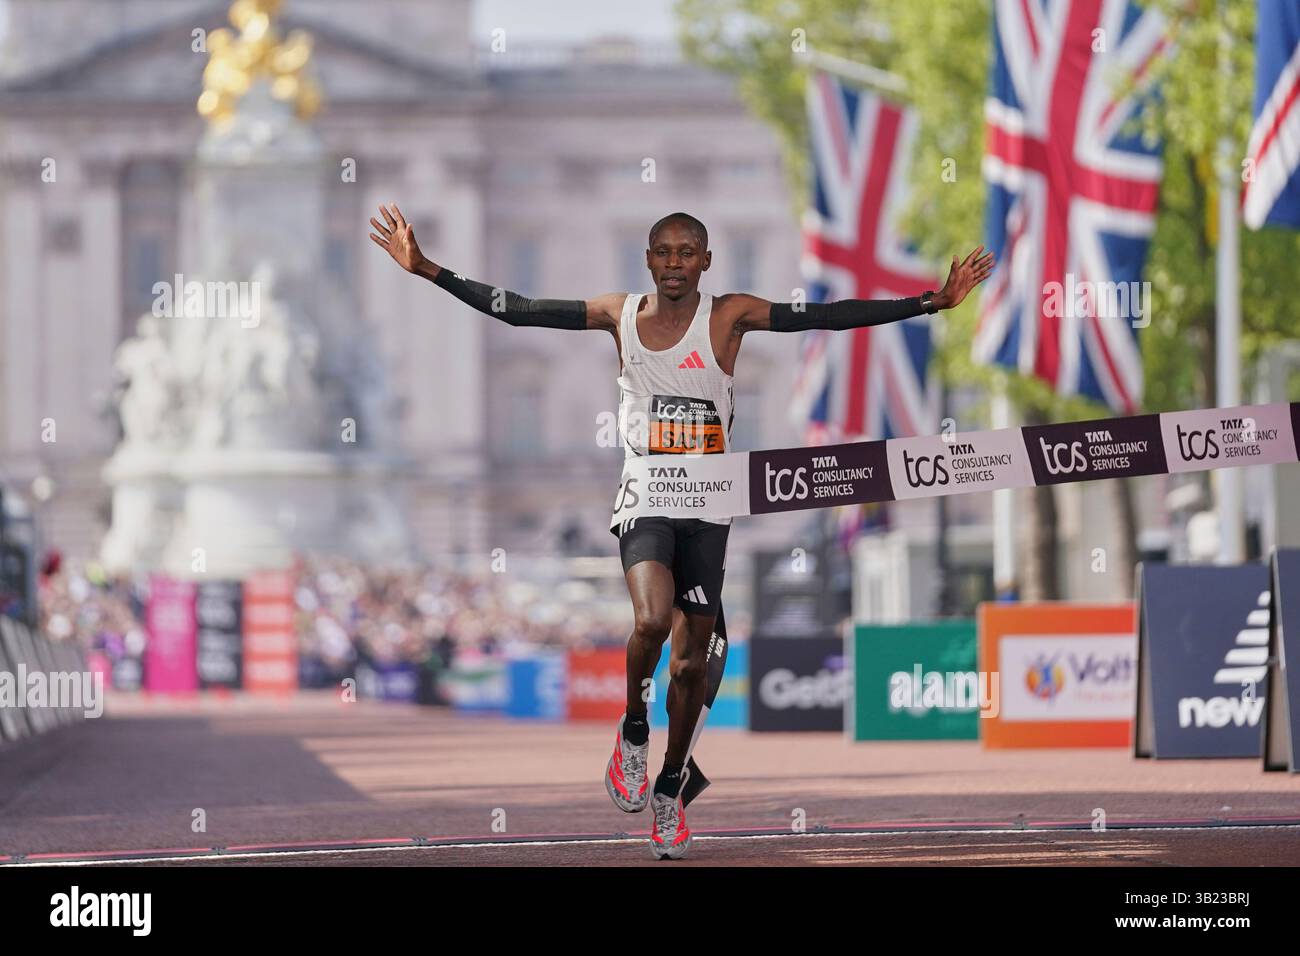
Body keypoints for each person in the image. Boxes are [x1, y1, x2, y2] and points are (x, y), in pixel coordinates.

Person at [369, 204, 993, 859]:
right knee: (650, 621)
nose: (673, 263)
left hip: (710, 504)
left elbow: (824, 318)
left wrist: (929, 302)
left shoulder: (729, 315)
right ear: (648, 260)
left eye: (685, 252)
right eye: (662, 252)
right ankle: (634, 730)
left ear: (705, 261)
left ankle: (670, 789)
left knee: (693, 664)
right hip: (646, 495)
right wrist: (427, 269)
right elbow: (519, 307)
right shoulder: (619, 315)